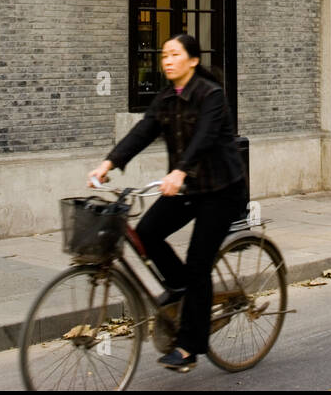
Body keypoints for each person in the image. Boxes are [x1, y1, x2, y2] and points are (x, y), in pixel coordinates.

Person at [87, 33, 246, 373]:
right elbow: (142, 132)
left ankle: (189, 346)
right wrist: (108, 164)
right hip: (188, 189)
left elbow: (204, 137)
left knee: (198, 262)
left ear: (192, 61)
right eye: (164, 55)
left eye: (175, 54)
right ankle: (181, 289)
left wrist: (179, 171)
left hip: (221, 190)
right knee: (146, 232)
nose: (167, 60)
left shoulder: (211, 95)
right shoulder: (166, 99)